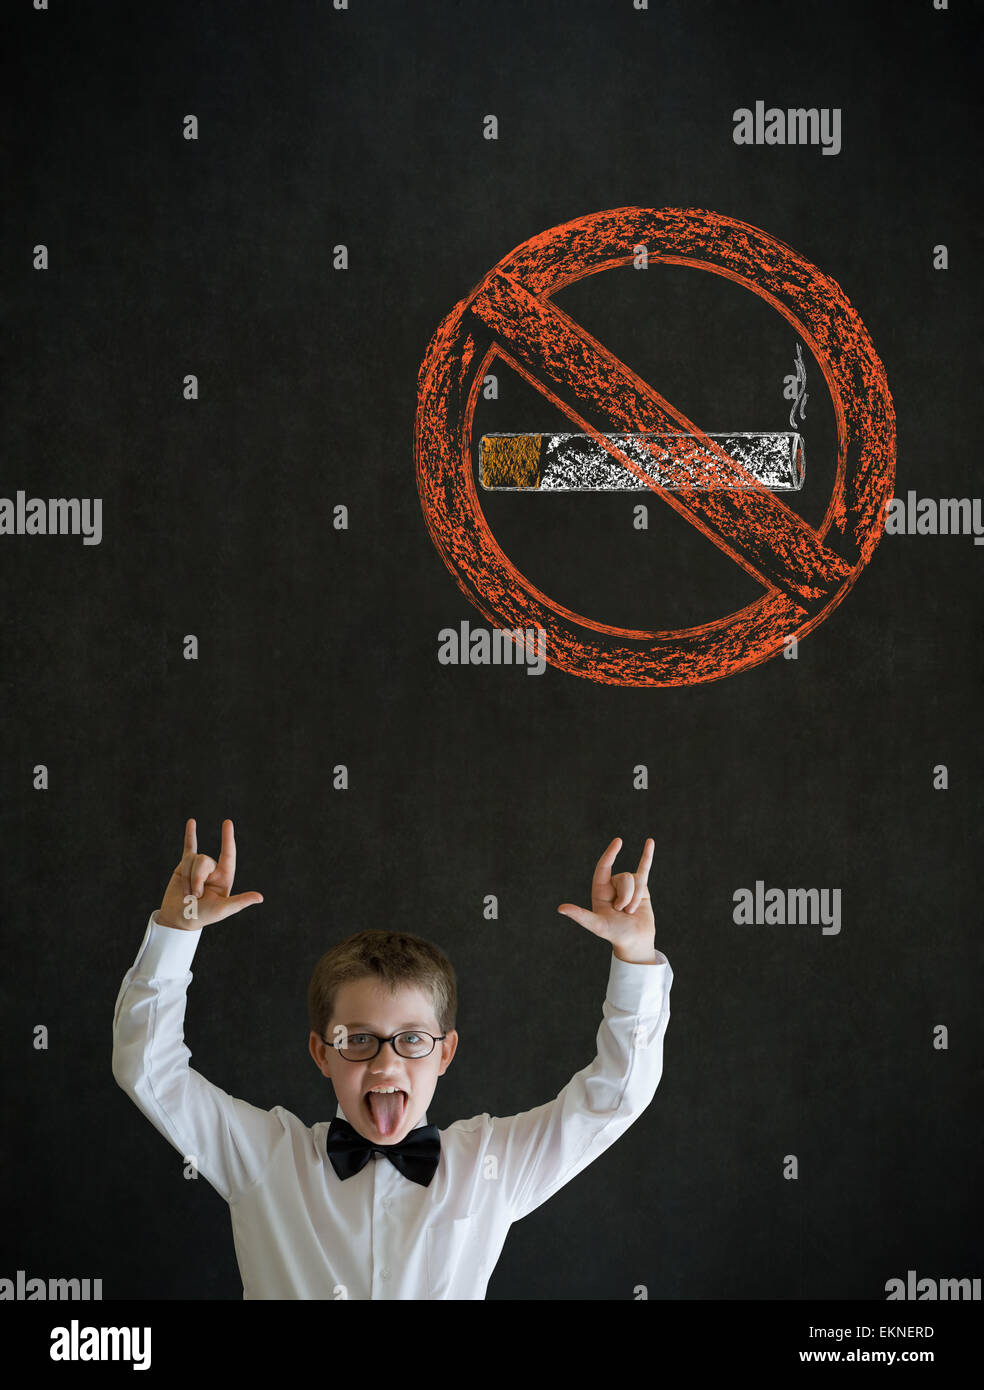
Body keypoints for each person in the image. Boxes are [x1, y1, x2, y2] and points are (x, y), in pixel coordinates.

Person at [112, 818, 673, 1299]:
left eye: (411, 1039)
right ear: (321, 1053)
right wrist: (177, 930)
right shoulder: (265, 1159)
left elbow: (613, 1097)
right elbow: (148, 1071)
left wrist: (635, 955)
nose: (384, 1066)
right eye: (358, 1040)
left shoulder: (488, 1167)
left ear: (445, 1052)